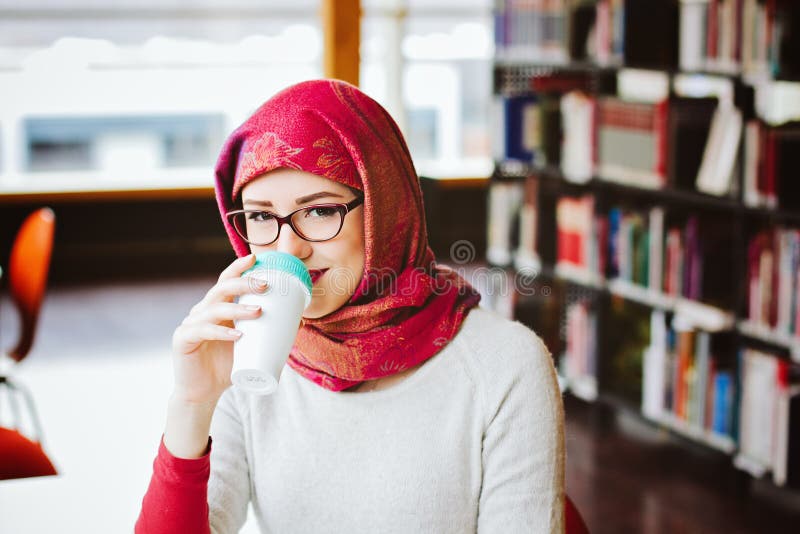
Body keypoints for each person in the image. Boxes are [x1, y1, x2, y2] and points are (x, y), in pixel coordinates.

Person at [136, 79, 565, 533]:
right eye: (261, 216)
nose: (289, 248)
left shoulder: (504, 367)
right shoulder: (245, 356)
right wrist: (192, 404)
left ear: (385, 206)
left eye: (319, 211)